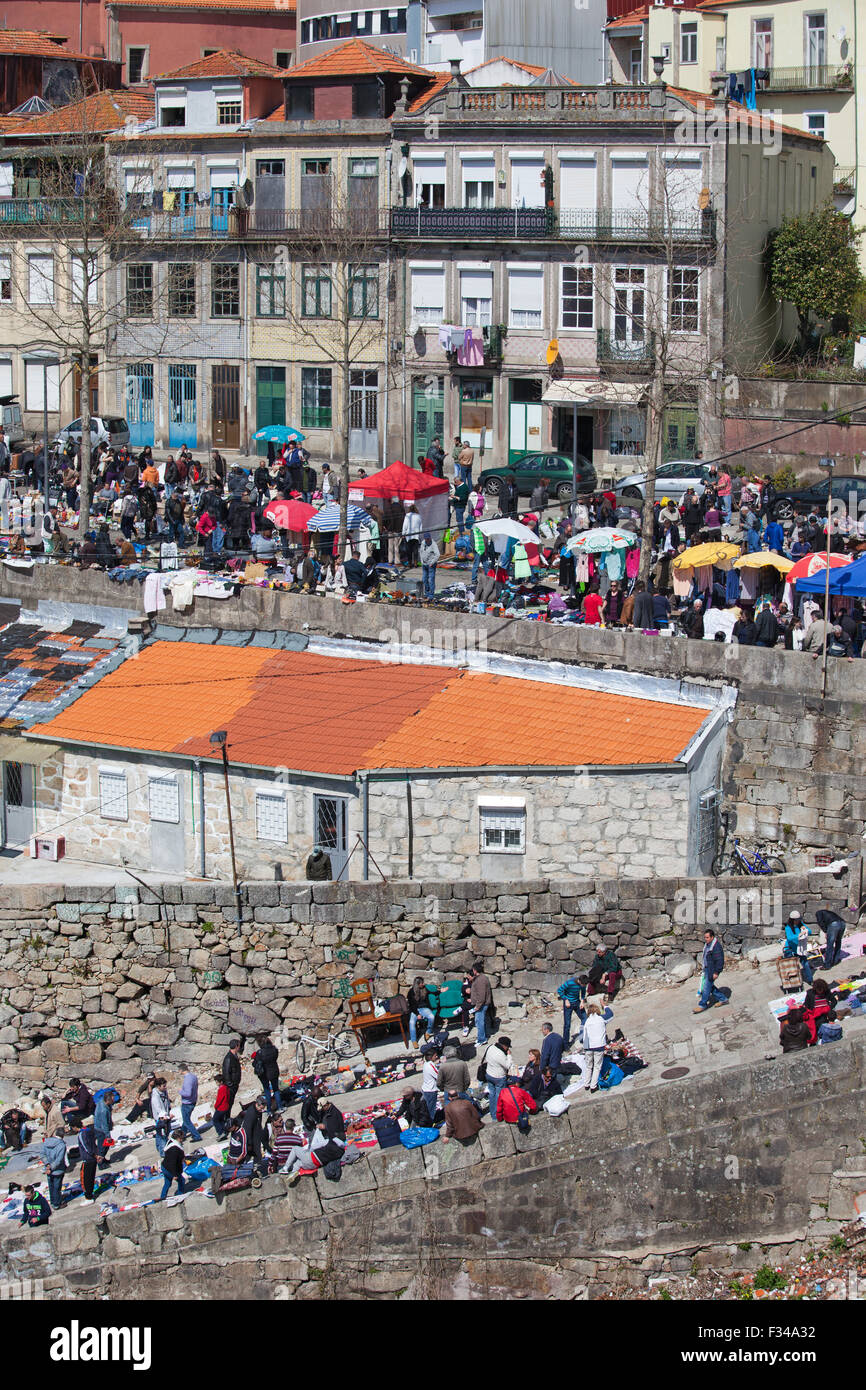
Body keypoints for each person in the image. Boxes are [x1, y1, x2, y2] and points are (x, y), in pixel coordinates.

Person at [694, 928, 727, 1013]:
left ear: (712, 937)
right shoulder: (708, 945)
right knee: (710, 987)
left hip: (712, 970)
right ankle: (723, 999)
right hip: (707, 969)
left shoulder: (716, 947)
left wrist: (716, 972)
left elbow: (720, 961)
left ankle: (702, 1005)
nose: (706, 939)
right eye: (705, 937)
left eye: (707, 937)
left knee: (706, 987)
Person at [483, 1036, 513, 1122]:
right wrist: (509, 1056)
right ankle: (497, 1116)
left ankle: (492, 1114)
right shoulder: (500, 1054)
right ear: (504, 1046)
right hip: (498, 1077)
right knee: (498, 1097)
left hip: (489, 1074)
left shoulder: (489, 1047)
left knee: (491, 1095)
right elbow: (508, 1065)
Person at [581, 1004, 608, 1093]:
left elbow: (582, 1035)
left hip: (588, 1046)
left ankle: (586, 1084)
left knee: (589, 1066)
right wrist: (605, 1006)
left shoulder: (586, 1021)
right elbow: (611, 1014)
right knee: (597, 1066)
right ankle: (593, 1086)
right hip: (599, 1046)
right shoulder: (602, 1018)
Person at [782, 909, 813, 985]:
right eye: (796, 920)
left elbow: (810, 931)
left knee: (805, 963)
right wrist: (798, 935)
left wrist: (805, 930)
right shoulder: (788, 928)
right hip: (791, 949)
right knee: (791, 966)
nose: (798, 921)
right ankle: (792, 981)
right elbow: (790, 938)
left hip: (800, 948)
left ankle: (810, 980)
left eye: (799, 920)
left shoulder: (801, 924)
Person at [254, 1035, 282, 1114]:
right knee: (276, 1089)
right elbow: (275, 1057)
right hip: (274, 1071)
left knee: (267, 1091)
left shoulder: (260, 1052)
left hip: (264, 1074)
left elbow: (256, 1063)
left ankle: (269, 1110)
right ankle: (280, 1107)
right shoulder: (274, 1049)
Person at [556, 974, 586, 1047]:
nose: (584, 986)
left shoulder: (583, 984)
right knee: (567, 1024)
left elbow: (583, 992)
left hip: (577, 1002)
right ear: (580, 982)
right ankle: (566, 1045)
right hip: (568, 1004)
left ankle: (582, 1038)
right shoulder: (570, 982)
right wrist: (565, 999)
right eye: (583, 984)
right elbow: (559, 990)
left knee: (585, 1018)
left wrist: (582, 1001)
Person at [468, 963, 493, 1043]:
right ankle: (482, 1036)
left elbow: (481, 995)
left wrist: (478, 1006)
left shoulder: (480, 980)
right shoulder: (481, 978)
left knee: (479, 1022)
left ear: (475, 970)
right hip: (481, 1004)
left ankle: (482, 1040)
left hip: (481, 1005)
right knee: (480, 1021)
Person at [159, 1128, 186, 1201]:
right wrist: (175, 1175)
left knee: (167, 1183)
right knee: (181, 1181)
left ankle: (162, 1197)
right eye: (181, 1138)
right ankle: (180, 1195)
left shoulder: (170, 1142)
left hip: (164, 1166)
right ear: (178, 1138)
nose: (182, 1140)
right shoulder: (175, 1149)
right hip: (170, 1169)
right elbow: (173, 1163)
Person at [407, 977, 436, 1046]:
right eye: (421, 983)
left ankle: (428, 1032)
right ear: (418, 984)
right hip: (415, 1010)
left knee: (432, 1017)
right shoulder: (411, 992)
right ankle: (414, 1040)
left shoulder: (424, 989)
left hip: (424, 1008)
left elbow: (432, 992)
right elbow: (411, 1005)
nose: (423, 984)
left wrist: (441, 991)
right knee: (411, 1022)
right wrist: (417, 1014)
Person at [78, 1116, 99, 1204]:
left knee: (86, 1179)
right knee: (91, 1177)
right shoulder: (89, 1131)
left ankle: (88, 1197)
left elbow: (86, 1147)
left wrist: (93, 1154)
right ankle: (90, 1195)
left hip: (88, 1159)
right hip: (93, 1158)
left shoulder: (81, 1134)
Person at [179, 1065, 203, 1142]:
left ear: (181, 1070)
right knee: (186, 1120)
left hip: (187, 1103)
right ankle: (182, 1134)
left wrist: (180, 1091)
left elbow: (188, 1093)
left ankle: (196, 1135)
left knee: (186, 1121)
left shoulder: (187, 1079)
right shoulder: (193, 1077)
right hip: (193, 1101)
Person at [151, 1078, 172, 1159]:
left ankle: (160, 1147)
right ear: (158, 1086)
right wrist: (165, 1116)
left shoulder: (164, 1092)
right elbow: (158, 1108)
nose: (165, 1087)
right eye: (164, 1086)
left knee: (163, 1134)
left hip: (166, 1115)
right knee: (162, 1135)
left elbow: (167, 1101)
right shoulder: (155, 1096)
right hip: (161, 1118)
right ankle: (163, 1152)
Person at [93, 1090, 114, 1167]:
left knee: (106, 1145)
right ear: (108, 1100)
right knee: (102, 1147)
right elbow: (104, 1125)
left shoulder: (103, 1103)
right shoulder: (103, 1110)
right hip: (100, 1130)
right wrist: (108, 1136)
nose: (113, 1101)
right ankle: (100, 1163)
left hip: (101, 1128)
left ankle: (103, 1158)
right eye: (112, 1099)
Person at [222, 1039, 242, 1114]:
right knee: (228, 1104)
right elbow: (226, 1073)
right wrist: (231, 1085)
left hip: (234, 1085)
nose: (239, 1048)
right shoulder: (228, 1058)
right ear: (236, 1046)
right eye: (239, 1046)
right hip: (231, 1087)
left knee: (231, 1103)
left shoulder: (234, 1056)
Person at [421, 1048, 441, 1123]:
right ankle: (431, 1122)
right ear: (431, 1056)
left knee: (427, 1107)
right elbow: (438, 1076)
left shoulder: (426, 1064)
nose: (436, 1057)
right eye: (435, 1056)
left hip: (426, 1088)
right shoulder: (430, 1066)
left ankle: (428, 1120)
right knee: (431, 1109)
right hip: (431, 1090)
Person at [419, 531, 440, 600]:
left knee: (431, 579)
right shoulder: (423, 543)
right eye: (426, 539)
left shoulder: (433, 544)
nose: (427, 540)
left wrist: (432, 562)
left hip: (431, 565)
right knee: (424, 579)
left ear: (430, 538)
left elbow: (437, 554)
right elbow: (420, 551)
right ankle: (426, 592)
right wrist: (421, 560)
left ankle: (431, 594)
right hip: (424, 564)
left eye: (428, 539)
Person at [212, 1075, 231, 1139]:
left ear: (221, 1082)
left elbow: (219, 1099)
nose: (216, 1083)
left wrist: (215, 1106)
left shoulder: (221, 1089)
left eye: (217, 1082)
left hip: (221, 1107)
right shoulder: (226, 1087)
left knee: (215, 1119)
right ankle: (224, 1132)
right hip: (225, 1106)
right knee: (221, 1120)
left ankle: (220, 1133)